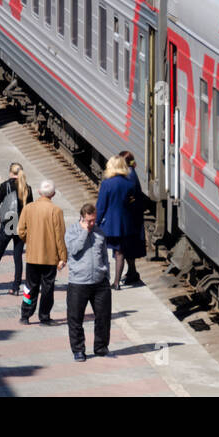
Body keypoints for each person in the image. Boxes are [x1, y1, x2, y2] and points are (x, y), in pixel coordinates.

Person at [65, 202, 111, 361]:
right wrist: (84, 232)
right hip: (79, 283)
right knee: (75, 318)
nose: (92, 224)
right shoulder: (72, 231)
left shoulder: (99, 232)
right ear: (82, 218)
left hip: (100, 282)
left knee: (103, 317)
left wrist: (106, 275)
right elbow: (74, 250)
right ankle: (78, 350)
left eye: (94, 220)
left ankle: (101, 347)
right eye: (89, 221)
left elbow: (104, 255)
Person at [17, 180, 66, 324]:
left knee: (29, 287)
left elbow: (20, 231)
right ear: (54, 194)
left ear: (39, 192)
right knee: (47, 287)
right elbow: (60, 236)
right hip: (50, 257)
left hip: (32, 255)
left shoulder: (28, 208)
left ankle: (25, 315)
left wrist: (30, 241)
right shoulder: (56, 210)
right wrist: (63, 256)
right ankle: (44, 316)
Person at [95, 154, 146, 290]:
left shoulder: (106, 184)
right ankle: (116, 282)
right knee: (120, 253)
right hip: (124, 224)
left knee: (101, 250)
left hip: (109, 224)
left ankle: (102, 279)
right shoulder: (129, 183)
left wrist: (96, 222)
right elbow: (133, 202)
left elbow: (101, 206)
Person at [0, 163, 32, 295]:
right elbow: (30, 208)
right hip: (21, 227)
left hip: (7, 225)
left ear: (10, 172)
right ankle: (15, 287)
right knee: (17, 257)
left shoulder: (4, 186)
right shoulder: (27, 188)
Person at [117, 150, 148, 286]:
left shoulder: (129, 175)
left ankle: (131, 273)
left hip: (131, 216)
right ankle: (132, 272)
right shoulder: (130, 172)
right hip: (133, 214)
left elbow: (128, 195)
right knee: (130, 246)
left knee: (127, 247)